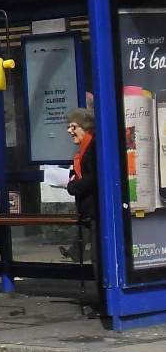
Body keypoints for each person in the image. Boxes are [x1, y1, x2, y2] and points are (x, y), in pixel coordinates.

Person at [62, 107, 102, 315]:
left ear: (85, 127)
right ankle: (102, 300)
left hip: (97, 210)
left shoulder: (93, 147)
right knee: (94, 256)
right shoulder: (85, 148)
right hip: (89, 211)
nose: (69, 130)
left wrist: (72, 186)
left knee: (98, 257)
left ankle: (104, 302)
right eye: (68, 126)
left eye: (73, 126)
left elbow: (94, 178)